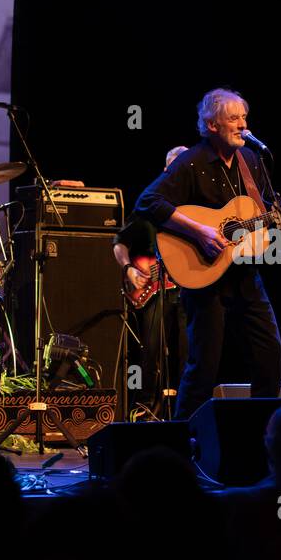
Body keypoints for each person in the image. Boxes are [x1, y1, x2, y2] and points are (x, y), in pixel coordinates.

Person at [134, 89, 281, 419]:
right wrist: (199, 231)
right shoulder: (192, 162)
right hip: (204, 277)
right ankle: (183, 442)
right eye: (233, 119)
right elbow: (147, 201)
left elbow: (273, 212)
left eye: (244, 118)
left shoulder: (252, 162)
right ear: (212, 124)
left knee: (271, 354)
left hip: (244, 273)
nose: (242, 126)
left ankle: (257, 435)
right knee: (204, 367)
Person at [114, 146, 190, 418]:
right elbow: (120, 244)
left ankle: (186, 412)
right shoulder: (149, 207)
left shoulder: (196, 208)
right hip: (155, 291)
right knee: (151, 354)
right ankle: (145, 410)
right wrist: (129, 270)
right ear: (167, 171)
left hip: (188, 290)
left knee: (188, 354)